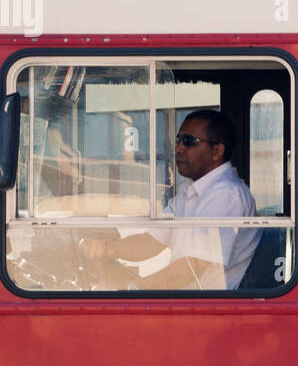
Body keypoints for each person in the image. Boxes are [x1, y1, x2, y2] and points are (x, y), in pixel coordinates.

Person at [84, 111, 261, 290]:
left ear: (217, 151)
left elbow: (191, 268)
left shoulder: (226, 195)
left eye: (189, 141)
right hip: (189, 304)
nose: (178, 148)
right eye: (178, 139)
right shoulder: (191, 192)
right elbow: (151, 242)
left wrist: (131, 289)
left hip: (208, 311)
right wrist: (105, 249)